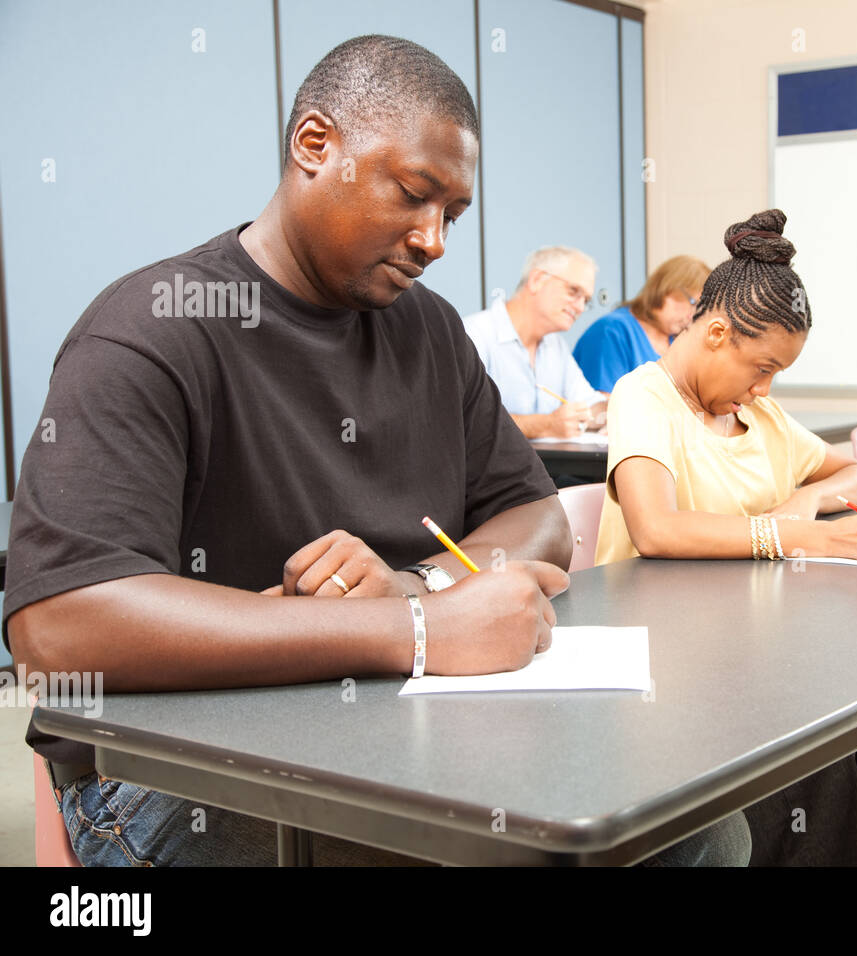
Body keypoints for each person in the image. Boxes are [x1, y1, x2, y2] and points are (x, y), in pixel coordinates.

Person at [3, 35, 748, 867]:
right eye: (414, 195)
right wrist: (415, 629)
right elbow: (57, 628)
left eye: (452, 216)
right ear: (314, 146)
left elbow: (535, 513)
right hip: (172, 770)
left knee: (691, 828)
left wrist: (417, 585)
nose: (435, 241)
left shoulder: (429, 329)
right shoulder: (153, 327)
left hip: (393, 713)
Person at [597, 208, 857, 866]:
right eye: (761, 368)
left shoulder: (763, 417)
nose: (764, 388)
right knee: (820, 741)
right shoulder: (645, 397)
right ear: (715, 333)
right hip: (670, 661)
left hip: (751, 641)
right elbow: (656, 529)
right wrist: (804, 537)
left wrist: (806, 501)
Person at [462, 247, 606, 440]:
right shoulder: (474, 335)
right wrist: (545, 425)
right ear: (537, 280)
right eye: (573, 291)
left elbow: (590, 406)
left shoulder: (556, 345)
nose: (580, 307)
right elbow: (466, 418)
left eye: (586, 300)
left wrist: (611, 411)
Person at [573, 255, 709, 392]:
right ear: (667, 289)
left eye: (699, 308)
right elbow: (604, 401)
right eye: (693, 303)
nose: (692, 315)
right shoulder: (612, 332)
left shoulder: (677, 341)